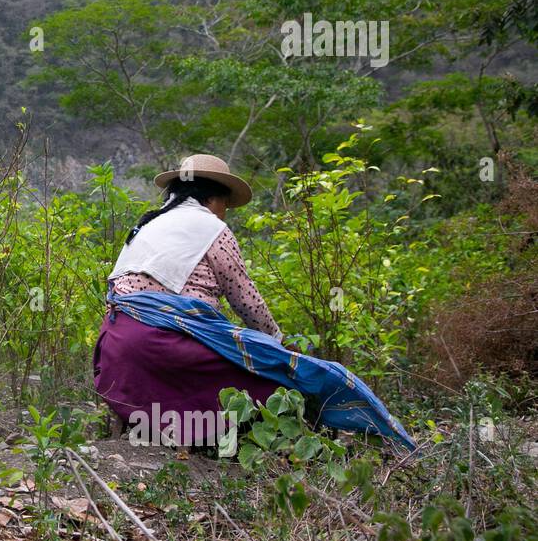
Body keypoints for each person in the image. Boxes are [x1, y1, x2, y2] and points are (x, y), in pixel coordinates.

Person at [94, 154, 415, 450]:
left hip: (115, 347)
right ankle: (287, 449)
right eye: (226, 204)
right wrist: (279, 344)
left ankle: (169, 439)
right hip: (160, 344)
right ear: (214, 197)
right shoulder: (211, 227)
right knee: (274, 376)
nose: (226, 212)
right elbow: (245, 300)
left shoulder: (147, 225)